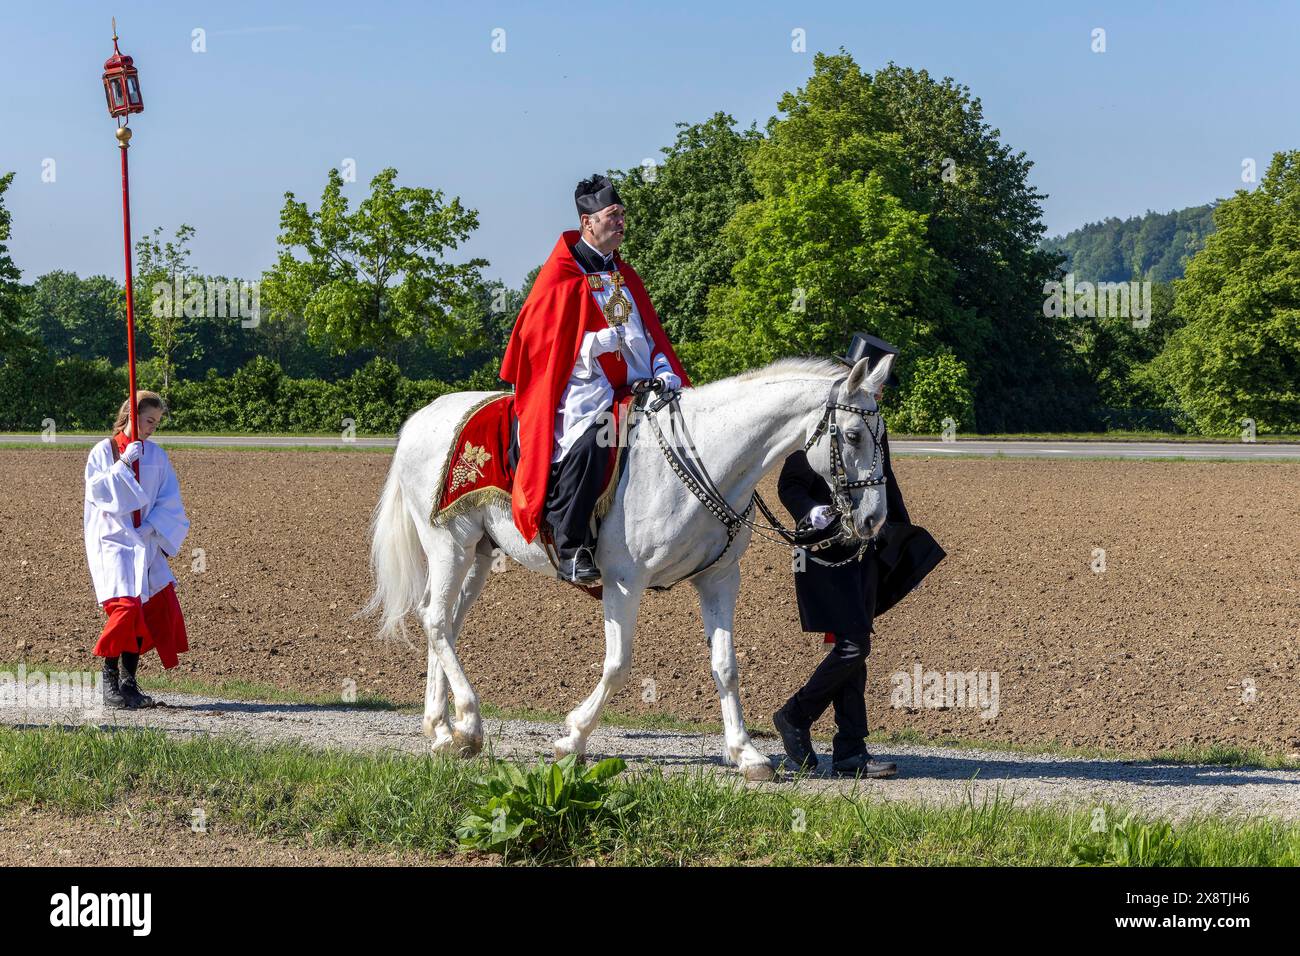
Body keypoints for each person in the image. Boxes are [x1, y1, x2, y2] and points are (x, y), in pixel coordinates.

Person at [500, 173, 689, 583]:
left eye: (622, 214)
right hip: (581, 386)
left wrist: (662, 369)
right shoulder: (560, 276)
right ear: (587, 222)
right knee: (593, 441)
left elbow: (651, 336)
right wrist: (592, 345)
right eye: (612, 214)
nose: (621, 221)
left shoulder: (626, 276)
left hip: (637, 385)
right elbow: (540, 344)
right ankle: (571, 545)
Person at [772, 333, 946, 777]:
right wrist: (811, 511)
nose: (882, 388)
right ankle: (795, 715)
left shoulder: (869, 422)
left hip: (864, 550)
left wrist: (901, 545)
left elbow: (883, 485)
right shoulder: (818, 422)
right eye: (876, 380)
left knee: (854, 650)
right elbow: (789, 484)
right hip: (825, 551)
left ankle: (850, 752)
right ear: (855, 378)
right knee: (854, 646)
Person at [84, 390, 191, 708]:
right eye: (148, 420)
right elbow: (98, 492)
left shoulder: (157, 457)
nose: (152, 428)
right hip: (113, 542)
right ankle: (108, 680)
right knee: (127, 609)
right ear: (131, 415)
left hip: (145, 542)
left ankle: (129, 684)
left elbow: (170, 500)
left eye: (156, 423)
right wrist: (122, 466)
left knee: (150, 609)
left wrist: (152, 527)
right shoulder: (104, 452)